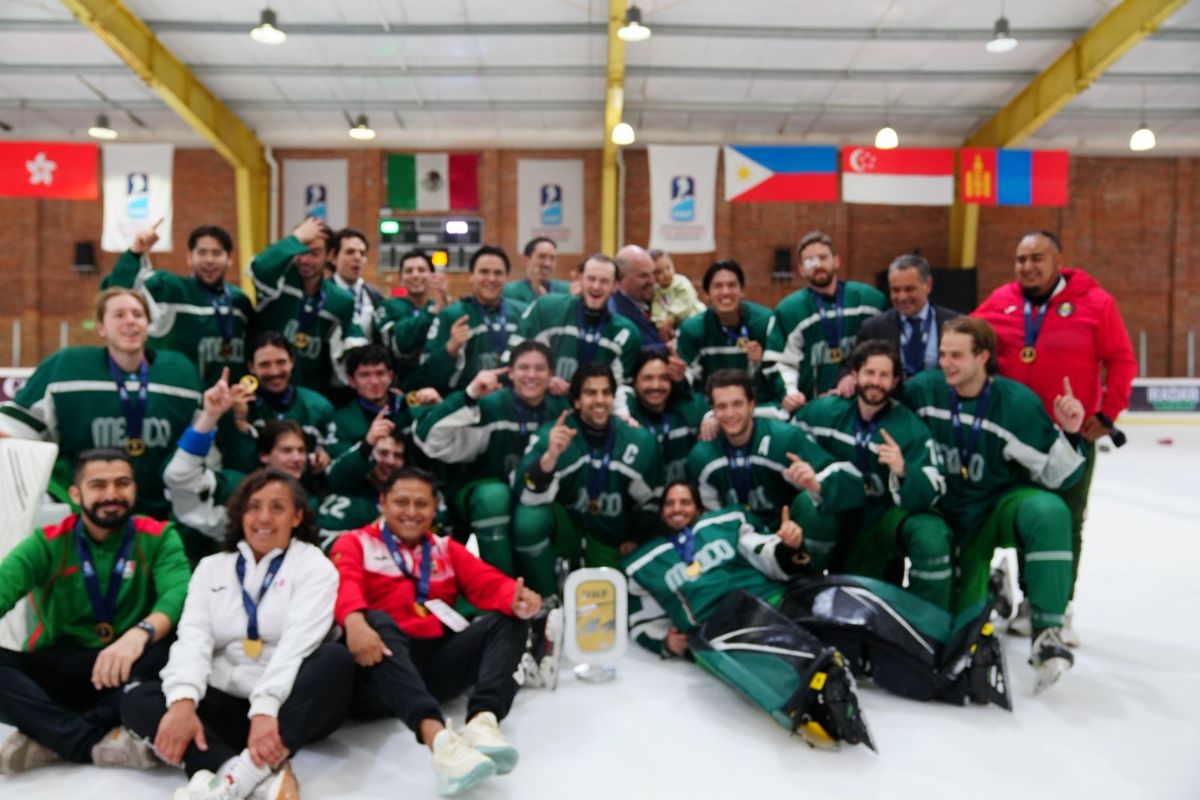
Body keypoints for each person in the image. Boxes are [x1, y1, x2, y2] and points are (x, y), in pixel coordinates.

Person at [122, 469, 353, 800]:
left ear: (297, 516)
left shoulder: (314, 566)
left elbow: (297, 646)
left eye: (277, 507)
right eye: (253, 506)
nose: (263, 518)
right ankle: (239, 772)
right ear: (240, 513)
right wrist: (184, 702)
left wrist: (265, 710)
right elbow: (193, 638)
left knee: (335, 660)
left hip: (289, 709)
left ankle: (239, 778)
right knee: (136, 699)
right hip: (228, 704)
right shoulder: (212, 567)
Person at [331, 467, 543, 796]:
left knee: (510, 617)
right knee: (375, 618)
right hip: (380, 672)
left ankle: (483, 722)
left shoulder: (445, 548)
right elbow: (345, 585)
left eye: (421, 504)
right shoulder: (355, 542)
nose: (412, 512)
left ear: (434, 508)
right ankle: (441, 743)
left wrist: (518, 599)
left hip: (433, 667)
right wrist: (353, 621)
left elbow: (489, 582)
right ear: (382, 502)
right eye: (401, 502)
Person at [902, 316, 1086, 692]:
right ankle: (991, 585)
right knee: (958, 624)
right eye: (943, 354)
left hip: (992, 511)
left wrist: (1070, 432)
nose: (946, 363)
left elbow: (1057, 477)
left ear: (983, 356)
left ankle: (1047, 630)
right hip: (944, 515)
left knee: (1050, 511)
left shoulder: (1015, 404)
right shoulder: (923, 391)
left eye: (956, 355)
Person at [972, 230, 1136, 644]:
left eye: (1037, 258)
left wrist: (1107, 413)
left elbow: (1121, 360)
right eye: (1021, 258)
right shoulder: (999, 301)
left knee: (1066, 519)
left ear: (1058, 259)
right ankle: (1028, 598)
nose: (1028, 266)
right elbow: (967, 341)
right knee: (1028, 518)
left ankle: (1058, 607)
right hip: (1014, 437)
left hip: (1070, 436)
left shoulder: (1096, 304)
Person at [621, 482, 874, 750]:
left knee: (834, 608)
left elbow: (763, 551)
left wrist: (787, 547)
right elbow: (641, 621)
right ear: (661, 512)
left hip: (770, 598)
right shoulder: (643, 562)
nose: (677, 509)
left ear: (698, 507)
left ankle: (873, 654)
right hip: (720, 627)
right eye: (670, 504)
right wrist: (664, 642)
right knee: (764, 652)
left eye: (684, 502)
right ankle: (817, 693)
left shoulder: (724, 522)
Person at [0, 450, 189, 774]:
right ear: (76, 494)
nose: (112, 495)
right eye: (98, 485)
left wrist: (139, 634)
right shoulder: (47, 543)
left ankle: (49, 737)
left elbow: (180, 595)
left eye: (122, 483)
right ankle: (87, 741)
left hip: (130, 669)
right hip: (61, 669)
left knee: (180, 651)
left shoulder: (158, 536)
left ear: (134, 488)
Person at [0, 288, 202, 519]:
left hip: (162, 514)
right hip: (85, 515)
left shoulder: (181, 372)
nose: (130, 321)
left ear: (148, 325)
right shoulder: (65, 367)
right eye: (119, 315)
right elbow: (18, 426)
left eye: (138, 314)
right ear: (101, 327)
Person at [793, 340, 954, 609]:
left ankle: (925, 628)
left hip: (880, 522)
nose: (875, 382)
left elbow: (934, 487)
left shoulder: (910, 429)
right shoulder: (825, 412)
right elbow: (787, 436)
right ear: (855, 375)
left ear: (895, 381)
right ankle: (799, 598)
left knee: (930, 533)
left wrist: (904, 471)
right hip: (836, 513)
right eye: (869, 373)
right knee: (810, 505)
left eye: (884, 375)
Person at [415, 342, 567, 575]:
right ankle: (499, 591)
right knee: (494, 498)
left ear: (552, 375)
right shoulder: (491, 405)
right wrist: (470, 394)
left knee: (532, 518)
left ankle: (546, 597)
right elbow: (431, 442)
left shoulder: (561, 408)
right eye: (524, 367)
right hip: (484, 495)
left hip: (539, 498)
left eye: (540, 368)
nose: (531, 375)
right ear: (511, 372)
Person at [513, 363, 663, 596]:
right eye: (590, 393)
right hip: (566, 534)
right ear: (576, 401)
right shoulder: (553, 435)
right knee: (528, 520)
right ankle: (546, 600)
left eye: (605, 392)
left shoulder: (638, 441)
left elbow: (652, 501)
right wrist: (550, 457)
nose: (599, 400)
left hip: (611, 539)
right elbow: (526, 498)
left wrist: (636, 538)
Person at [686, 369, 860, 531]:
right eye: (721, 407)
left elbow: (849, 482)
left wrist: (816, 483)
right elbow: (711, 518)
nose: (730, 413)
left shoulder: (784, 439)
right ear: (712, 410)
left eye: (737, 404)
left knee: (813, 507)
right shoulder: (702, 455)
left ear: (752, 405)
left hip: (789, 535)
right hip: (737, 541)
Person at [102, 223, 254, 386]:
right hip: (180, 399)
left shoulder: (240, 302)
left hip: (229, 403)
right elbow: (118, 292)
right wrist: (136, 252)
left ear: (229, 258)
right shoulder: (171, 289)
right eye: (202, 253)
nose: (209, 260)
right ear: (189, 257)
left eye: (216, 253)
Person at [765, 230, 885, 409]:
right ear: (800, 269)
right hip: (814, 408)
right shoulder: (790, 310)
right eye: (809, 260)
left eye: (823, 257)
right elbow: (780, 361)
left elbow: (886, 351)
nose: (817, 264)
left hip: (866, 405)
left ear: (836, 261)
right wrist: (790, 393)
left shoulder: (869, 300)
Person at [249, 217, 367, 392]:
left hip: (312, 395)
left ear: (330, 255)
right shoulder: (279, 281)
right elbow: (258, 267)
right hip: (265, 390)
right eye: (300, 251)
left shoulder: (340, 300)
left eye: (314, 253)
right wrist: (295, 238)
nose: (305, 260)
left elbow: (354, 347)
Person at [512, 253, 642, 392]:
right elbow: (515, 360)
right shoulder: (547, 309)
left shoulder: (627, 332)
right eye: (591, 279)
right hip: (546, 404)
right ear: (580, 279)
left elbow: (621, 390)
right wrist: (544, 380)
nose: (596, 286)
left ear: (615, 286)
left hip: (594, 410)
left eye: (604, 281)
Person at [217, 332, 335, 475]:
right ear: (251, 367)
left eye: (281, 362)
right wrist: (240, 420)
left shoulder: (318, 407)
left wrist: (324, 457)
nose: (274, 372)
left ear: (292, 361)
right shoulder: (238, 406)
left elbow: (334, 460)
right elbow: (237, 468)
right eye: (264, 365)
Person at [416, 245, 525, 395]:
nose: (491, 279)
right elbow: (425, 374)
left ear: (507, 277)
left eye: (498, 273)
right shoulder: (451, 315)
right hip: (466, 407)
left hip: (511, 405)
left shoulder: (522, 313)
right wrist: (450, 349)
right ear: (471, 275)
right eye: (484, 272)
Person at [676, 259, 775, 403]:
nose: (726, 292)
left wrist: (760, 363)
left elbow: (777, 380)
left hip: (757, 405)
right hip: (711, 407)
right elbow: (690, 386)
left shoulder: (765, 322)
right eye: (718, 286)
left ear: (742, 291)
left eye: (732, 285)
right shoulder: (692, 330)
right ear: (707, 294)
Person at [857, 253, 961, 378]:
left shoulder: (957, 324)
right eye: (895, 290)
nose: (902, 297)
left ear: (928, 285)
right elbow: (854, 367)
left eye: (909, 289)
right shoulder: (873, 329)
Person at [619, 349, 707, 484]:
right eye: (648, 378)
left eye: (664, 378)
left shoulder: (689, 408)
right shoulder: (625, 410)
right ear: (634, 382)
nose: (656, 386)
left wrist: (711, 418)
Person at [375, 250, 452, 389]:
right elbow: (400, 343)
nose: (415, 275)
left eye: (421, 270)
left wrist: (445, 308)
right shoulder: (388, 307)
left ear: (432, 276)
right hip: (399, 389)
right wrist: (432, 313)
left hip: (436, 388)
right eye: (409, 271)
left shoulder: (444, 309)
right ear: (400, 279)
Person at [330, 227, 384, 344]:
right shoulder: (323, 292)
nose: (357, 257)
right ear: (334, 257)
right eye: (350, 252)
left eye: (362, 253)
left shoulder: (374, 296)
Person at [610, 244, 667, 350]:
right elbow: (631, 351)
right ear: (621, 278)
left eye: (653, 273)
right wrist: (668, 348)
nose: (653, 281)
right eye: (644, 276)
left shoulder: (655, 300)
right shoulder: (614, 313)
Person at [648, 249, 705, 338]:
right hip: (677, 325)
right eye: (658, 272)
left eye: (668, 267)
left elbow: (684, 302)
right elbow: (656, 306)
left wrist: (670, 318)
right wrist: (660, 321)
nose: (666, 273)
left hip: (694, 317)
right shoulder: (656, 290)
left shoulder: (681, 282)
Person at [502, 237, 571, 305]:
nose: (547, 264)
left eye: (552, 258)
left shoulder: (566, 290)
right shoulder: (509, 291)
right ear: (526, 260)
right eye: (542, 256)